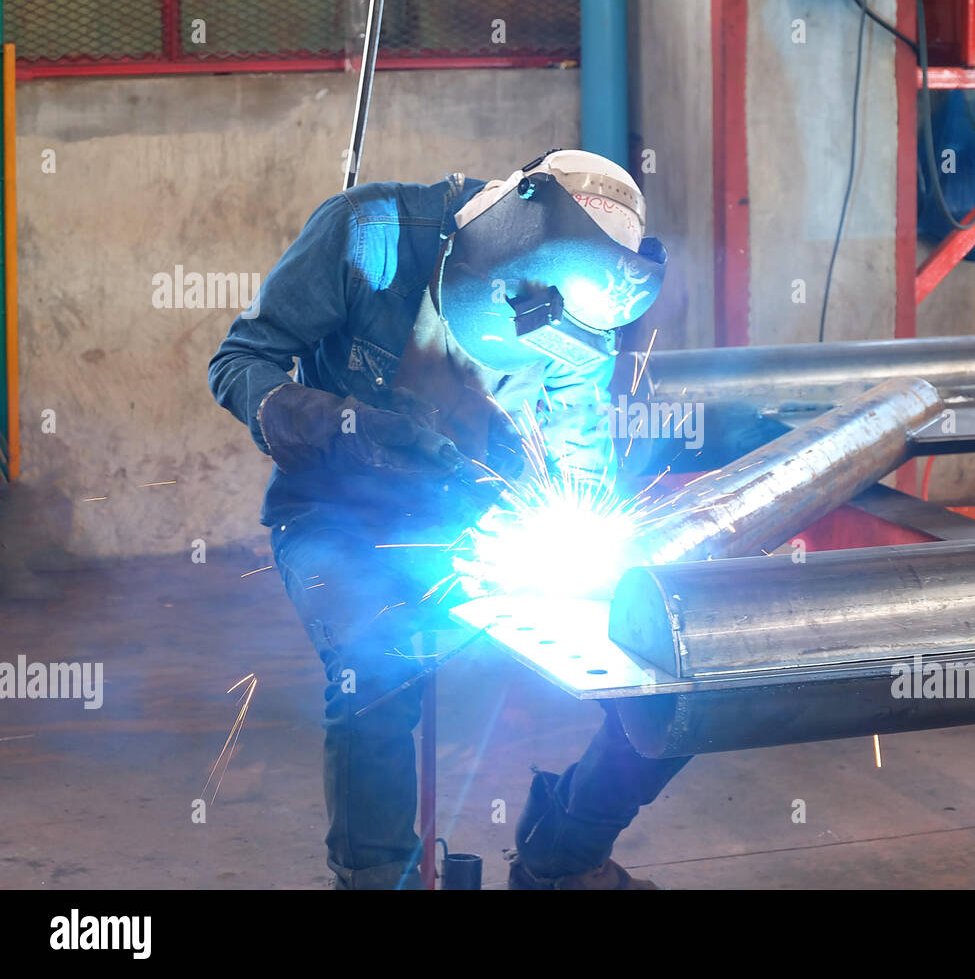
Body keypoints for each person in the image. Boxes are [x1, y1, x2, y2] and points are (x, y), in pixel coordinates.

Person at [209, 149, 688, 889]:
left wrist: (577, 529)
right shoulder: (370, 233)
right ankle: (374, 877)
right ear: (505, 245)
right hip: (336, 516)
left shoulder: (579, 317)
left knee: (666, 660)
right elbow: (241, 359)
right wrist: (328, 419)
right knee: (378, 666)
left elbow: (577, 457)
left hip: (474, 522)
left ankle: (564, 848)